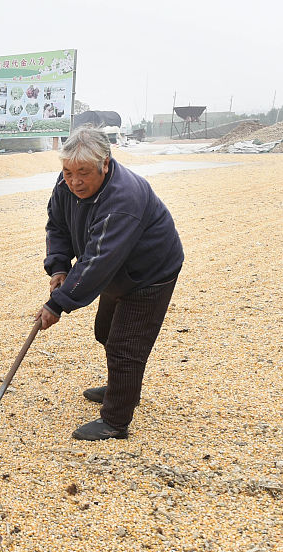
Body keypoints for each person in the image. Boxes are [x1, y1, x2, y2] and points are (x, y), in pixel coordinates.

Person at [36, 126, 183, 441]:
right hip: (115, 269)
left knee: (125, 345)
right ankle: (123, 385)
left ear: (105, 163)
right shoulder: (66, 183)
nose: (74, 181)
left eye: (83, 173)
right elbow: (57, 225)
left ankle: (116, 421)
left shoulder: (123, 199)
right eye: (68, 172)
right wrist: (58, 267)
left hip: (149, 273)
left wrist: (57, 304)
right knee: (105, 331)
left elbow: (98, 260)